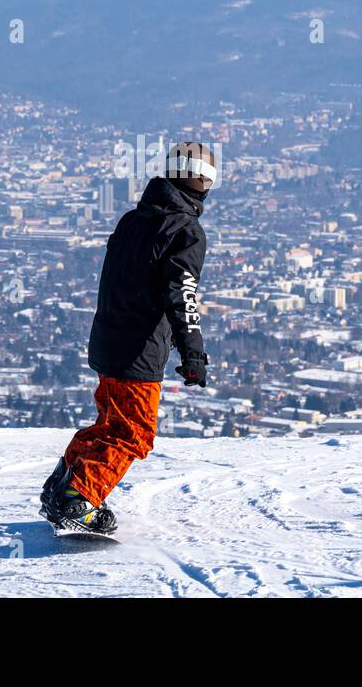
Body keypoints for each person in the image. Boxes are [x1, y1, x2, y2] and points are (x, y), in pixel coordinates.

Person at [40, 142, 217, 534]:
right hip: (139, 351)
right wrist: (193, 354)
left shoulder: (133, 220)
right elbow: (181, 294)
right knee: (133, 433)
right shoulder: (186, 231)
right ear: (205, 182)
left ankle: (63, 485)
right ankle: (78, 498)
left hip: (109, 341)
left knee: (109, 424)